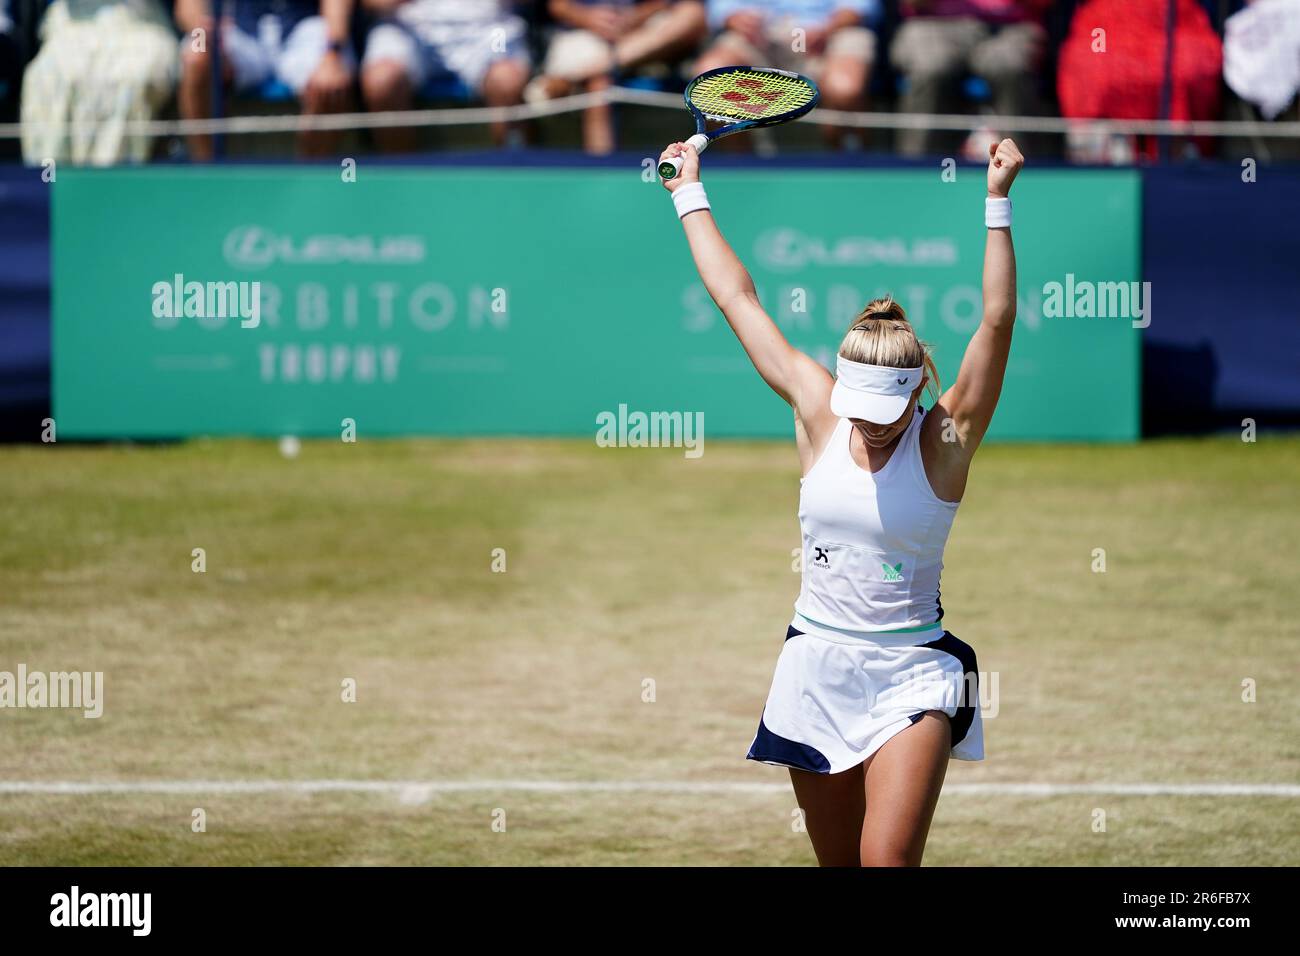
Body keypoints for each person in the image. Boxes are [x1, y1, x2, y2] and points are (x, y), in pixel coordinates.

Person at [656, 135, 1025, 866]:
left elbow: (996, 323)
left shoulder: (944, 440)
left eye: (884, 411)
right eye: (856, 406)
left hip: (916, 672)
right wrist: (685, 193)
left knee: (885, 862)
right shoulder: (820, 409)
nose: (866, 423)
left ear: (919, 388)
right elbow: (737, 297)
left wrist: (996, 203)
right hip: (814, 666)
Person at [176, 0, 357, 160]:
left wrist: (332, 49)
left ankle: (308, 185)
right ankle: (208, 178)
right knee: (196, 55)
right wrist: (203, 29)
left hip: (304, 27)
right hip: (239, 30)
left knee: (331, 78)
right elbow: (187, 7)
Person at [527, 0, 708, 155]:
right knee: (599, 83)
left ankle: (578, 74)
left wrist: (632, 18)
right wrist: (587, 18)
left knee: (691, 13)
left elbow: (666, 4)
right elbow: (557, 5)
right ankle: (603, 175)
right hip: (581, 34)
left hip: (639, 37)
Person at [694, 0, 880, 147]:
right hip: (759, 38)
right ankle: (745, 171)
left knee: (844, 89)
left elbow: (859, 7)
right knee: (710, 76)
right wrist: (735, 17)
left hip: (833, 33)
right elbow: (721, 8)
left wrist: (827, 28)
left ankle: (847, 172)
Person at [359, 0, 531, 152]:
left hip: (488, 29)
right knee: (382, 81)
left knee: (507, 81)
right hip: (408, 26)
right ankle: (400, 179)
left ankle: (512, 174)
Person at [21, 0, 179, 164]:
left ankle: (113, 181)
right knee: (45, 76)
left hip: (143, 24)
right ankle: (51, 181)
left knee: (134, 77)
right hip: (72, 26)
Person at [890, 0, 1050, 157]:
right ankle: (916, 171)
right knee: (931, 66)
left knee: (1010, 67)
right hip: (931, 23)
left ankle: (1021, 174)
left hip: (1011, 26)